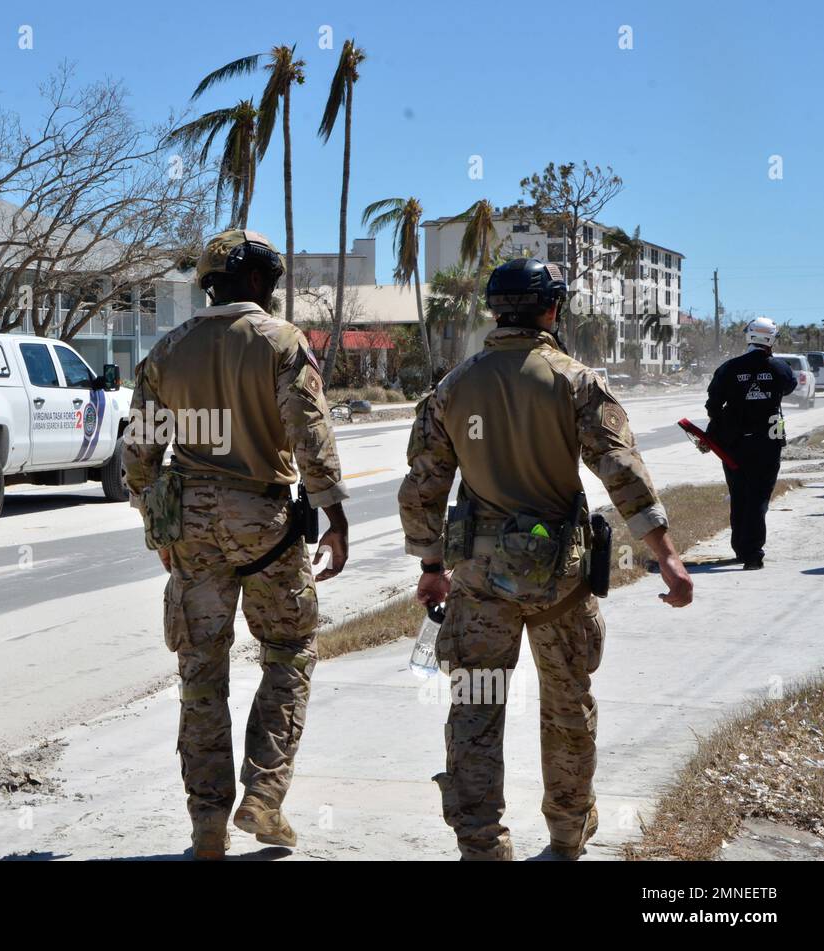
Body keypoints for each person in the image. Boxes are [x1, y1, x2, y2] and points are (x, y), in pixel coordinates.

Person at [398, 257, 693, 861]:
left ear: (494, 309)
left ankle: (481, 844)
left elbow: (423, 486)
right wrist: (665, 555)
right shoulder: (577, 382)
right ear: (552, 308)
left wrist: (431, 567)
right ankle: (565, 834)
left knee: (476, 711)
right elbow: (622, 472)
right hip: (562, 582)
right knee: (567, 710)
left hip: (479, 585)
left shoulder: (452, 387)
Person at [122, 229, 349, 861]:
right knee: (289, 649)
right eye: (271, 281)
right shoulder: (281, 342)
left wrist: (158, 530)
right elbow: (310, 433)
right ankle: (264, 794)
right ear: (256, 283)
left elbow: (139, 457)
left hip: (190, 524)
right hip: (265, 522)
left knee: (200, 673)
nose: (274, 291)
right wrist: (334, 514)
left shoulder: (168, 349)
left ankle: (207, 822)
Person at [703, 317, 797, 569]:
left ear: (749, 337)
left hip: (734, 445)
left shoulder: (729, 368)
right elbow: (789, 387)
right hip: (769, 443)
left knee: (739, 495)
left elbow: (712, 405)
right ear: (771, 340)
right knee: (758, 497)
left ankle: (741, 549)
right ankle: (752, 553)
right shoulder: (780, 368)